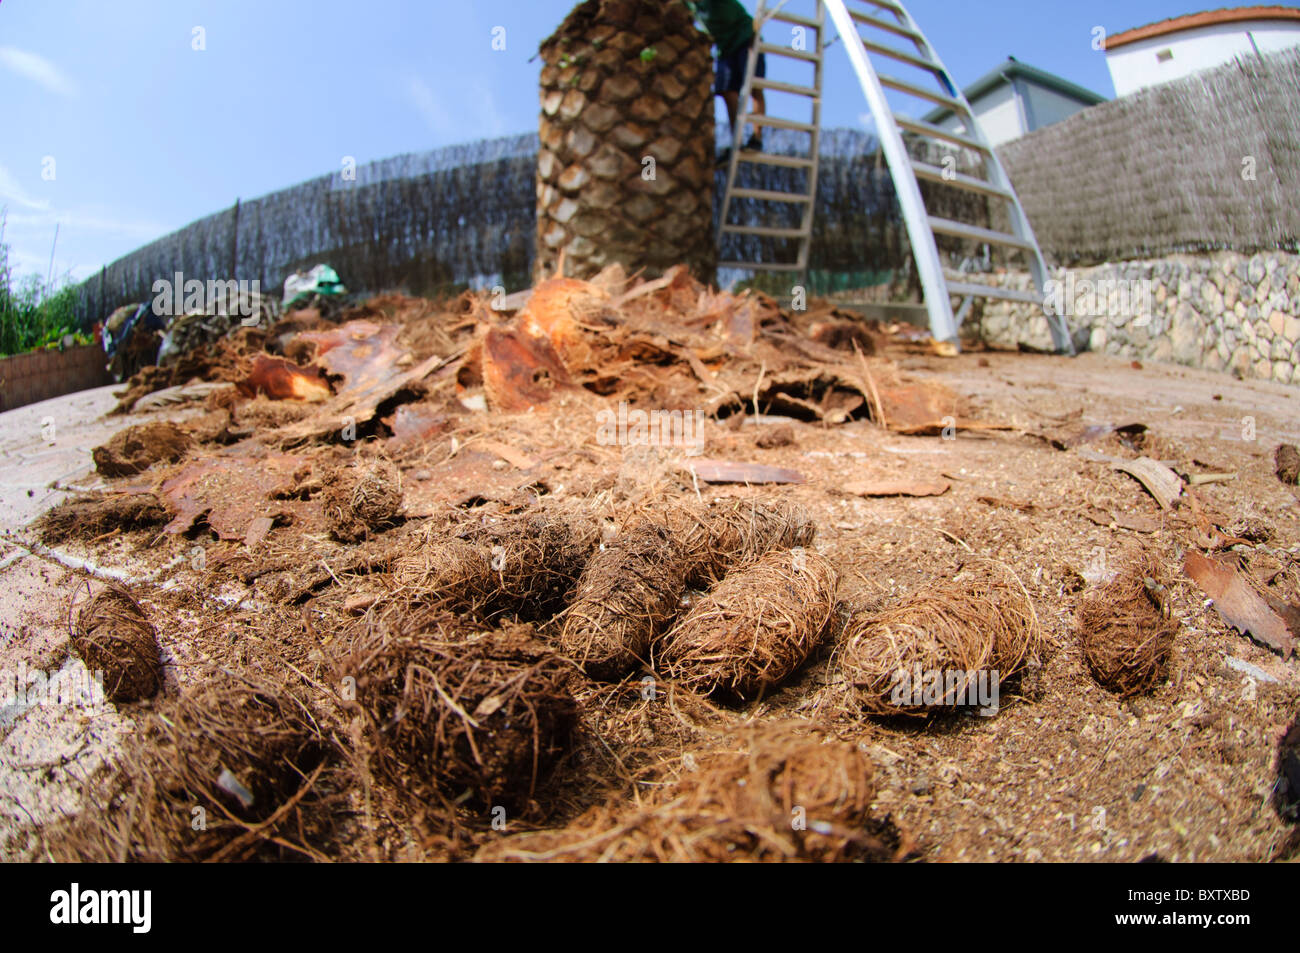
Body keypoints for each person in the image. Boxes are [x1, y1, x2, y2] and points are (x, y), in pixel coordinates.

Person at [685, 0, 766, 164]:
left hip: (746, 39)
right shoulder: (691, 5)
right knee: (727, 92)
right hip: (725, 48)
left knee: (753, 86)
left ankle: (756, 138)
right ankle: (737, 140)